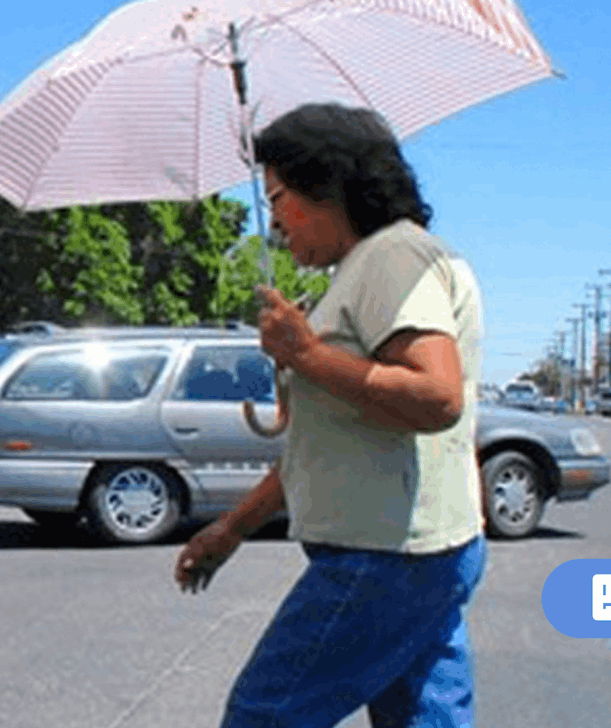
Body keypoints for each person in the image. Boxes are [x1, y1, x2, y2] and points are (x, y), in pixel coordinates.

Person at [174, 103, 488, 728]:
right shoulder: (374, 265)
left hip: (385, 558)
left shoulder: (392, 256)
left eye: (279, 197)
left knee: (265, 716)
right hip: (422, 552)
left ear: (330, 185)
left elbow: (437, 397)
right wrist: (232, 528)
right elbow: (329, 446)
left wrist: (308, 356)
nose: (273, 221)